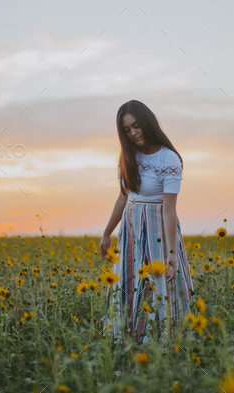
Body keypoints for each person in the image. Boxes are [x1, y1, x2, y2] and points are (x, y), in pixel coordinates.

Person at [100, 99, 194, 345]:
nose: (133, 134)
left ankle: (163, 344)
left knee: (161, 285)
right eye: (127, 130)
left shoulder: (169, 159)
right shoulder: (128, 156)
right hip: (130, 231)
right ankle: (127, 341)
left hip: (158, 230)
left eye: (136, 126)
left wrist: (172, 255)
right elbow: (123, 197)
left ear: (148, 123)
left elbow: (169, 211)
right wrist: (107, 232)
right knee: (128, 282)